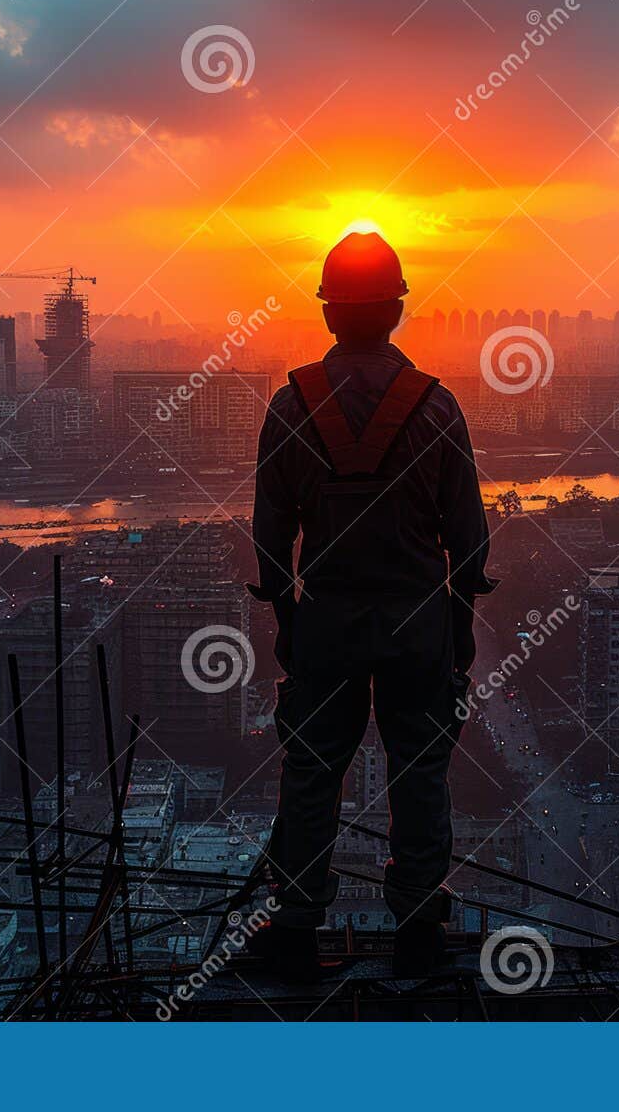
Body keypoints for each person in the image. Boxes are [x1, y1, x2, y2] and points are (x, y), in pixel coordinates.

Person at [247, 230, 494, 981]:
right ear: (395, 312)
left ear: (329, 315)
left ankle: (295, 928)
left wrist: (292, 623)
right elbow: (471, 543)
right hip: (418, 625)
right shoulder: (438, 408)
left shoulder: (292, 406)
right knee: (419, 774)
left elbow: (268, 542)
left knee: (313, 773)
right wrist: (458, 631)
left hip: (326, 624)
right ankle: (418, 927)